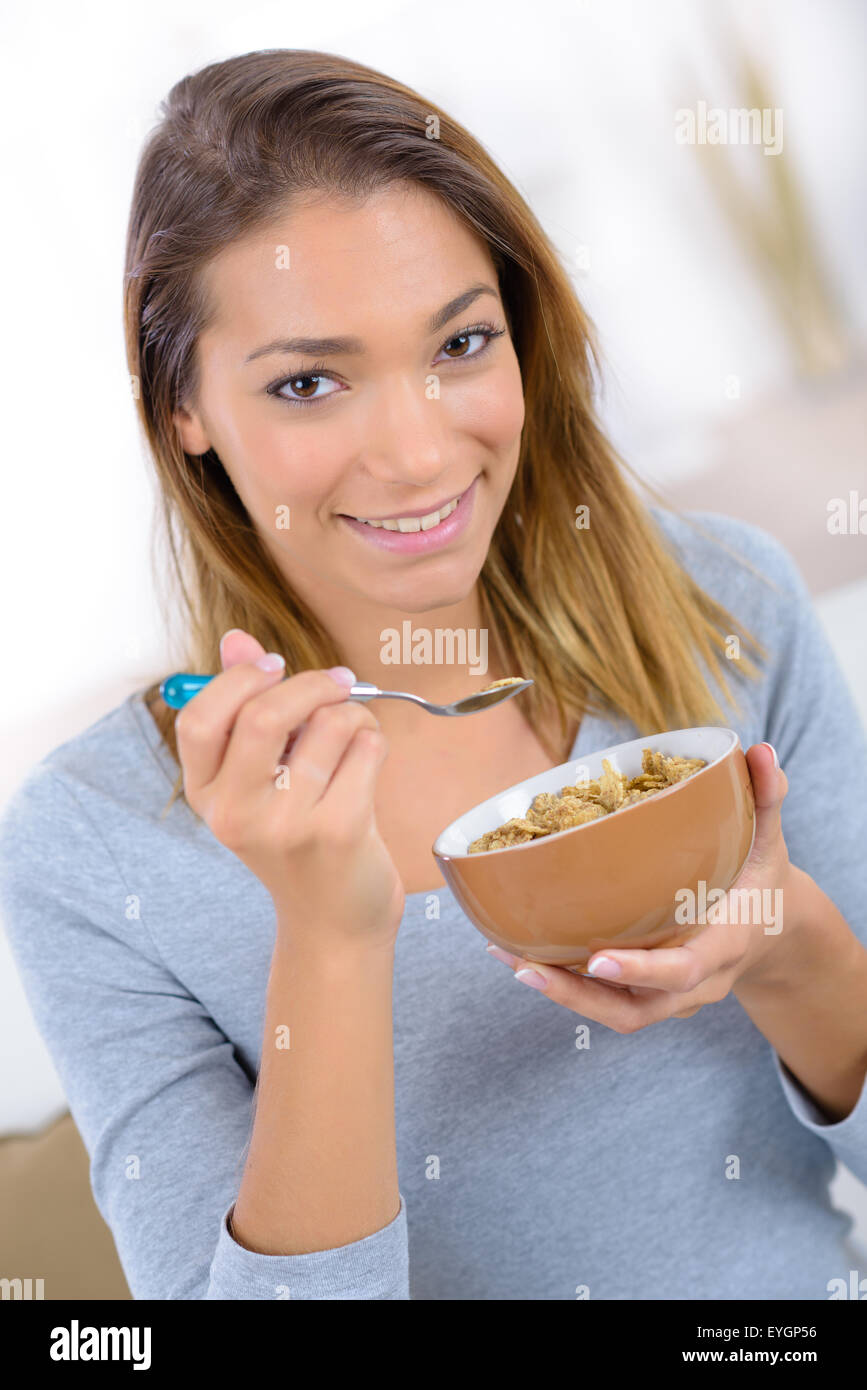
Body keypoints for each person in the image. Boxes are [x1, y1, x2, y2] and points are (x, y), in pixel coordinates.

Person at [1, 49, 865, 1301]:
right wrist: (331, 937)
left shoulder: (726, 610)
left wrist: (780, 941)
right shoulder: (91, 848)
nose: (417, 454)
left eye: (461, 342)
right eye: (309, 382)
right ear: (181, 403)